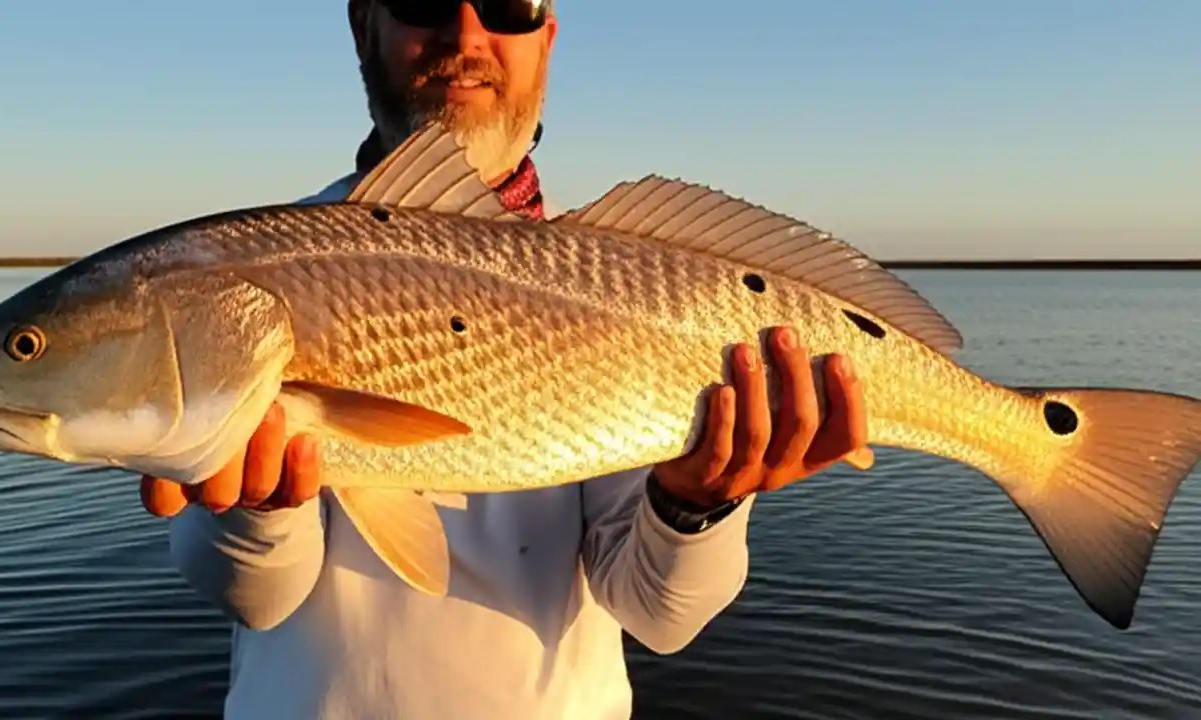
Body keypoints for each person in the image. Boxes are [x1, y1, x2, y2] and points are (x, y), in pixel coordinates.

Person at [140, 1, 870, 718]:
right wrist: (256, 512)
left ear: (546, 39)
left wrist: (695, 502)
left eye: (508, 6)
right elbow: (259, 598)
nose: (465, 32)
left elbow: (658, 612)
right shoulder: (247, 275)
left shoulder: (630, 289)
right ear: (365, 23)